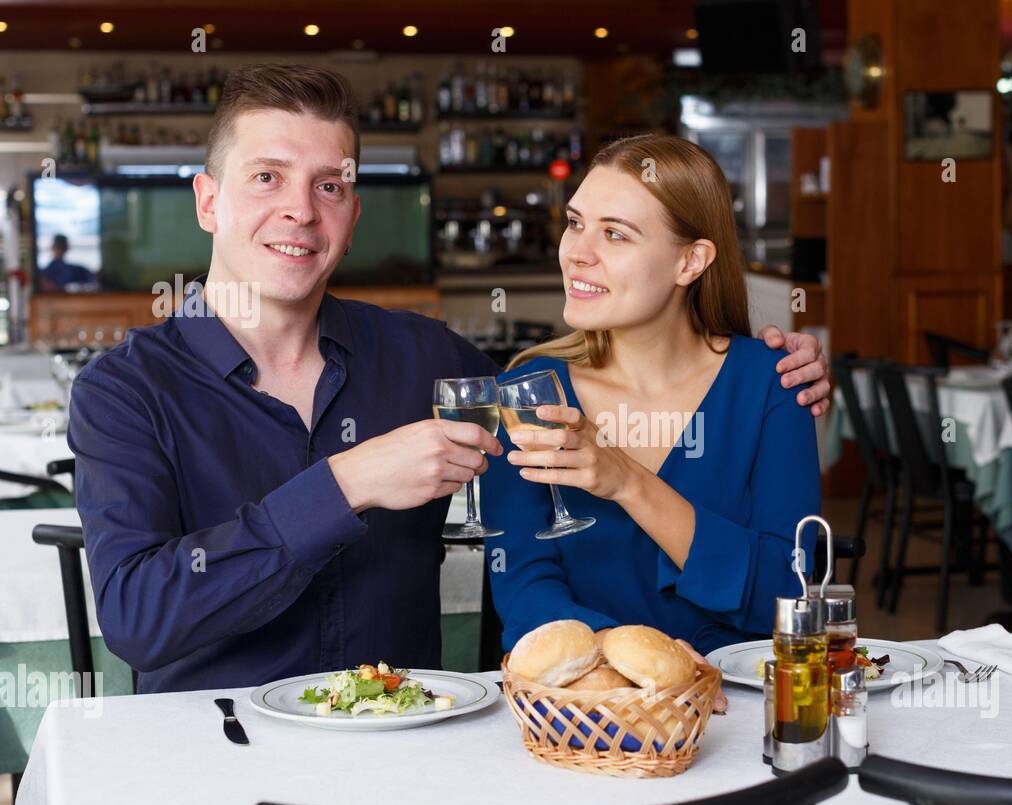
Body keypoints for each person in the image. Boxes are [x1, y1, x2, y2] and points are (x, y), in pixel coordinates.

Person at [67, 65, 833, 694]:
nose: (299, 210)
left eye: (329, 185)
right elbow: (138, 618)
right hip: (215, 753)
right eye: (267, 177)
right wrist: (346, 483)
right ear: (208, 201)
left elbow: (584, 388)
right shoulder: (123, 392)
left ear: (353, 213)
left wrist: (778, 362)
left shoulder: (427, 359)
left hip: (409, 745)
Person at [482, 135, 821, 711]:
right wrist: (628, 660)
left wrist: (627, 482)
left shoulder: (775, 383)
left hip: (742, 711)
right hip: (585, 712)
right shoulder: (528, 394)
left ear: (691, 261)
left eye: (615, 234)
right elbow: (523, 591)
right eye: (575, 223)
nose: (577, 252)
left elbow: (787, 595)